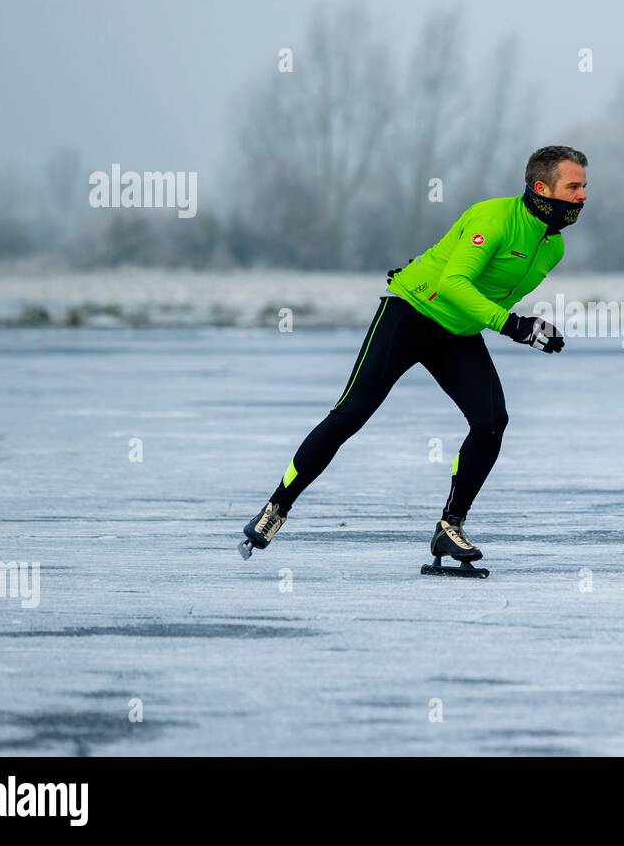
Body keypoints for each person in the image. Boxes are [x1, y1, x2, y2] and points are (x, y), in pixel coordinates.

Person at [238, 145, 588, 569]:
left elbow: (486, 289)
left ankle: (449, 527)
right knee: (351, 414)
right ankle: (276, 507)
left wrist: (530, 325)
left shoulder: (553, 249)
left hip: (456, 331)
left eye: (584, 187)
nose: (583, 195)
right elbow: (455, 281)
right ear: (541, 187)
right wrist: (513, 325)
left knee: (491, 421)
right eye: (574, 186)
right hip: (410, 314)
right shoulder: (493, 218)